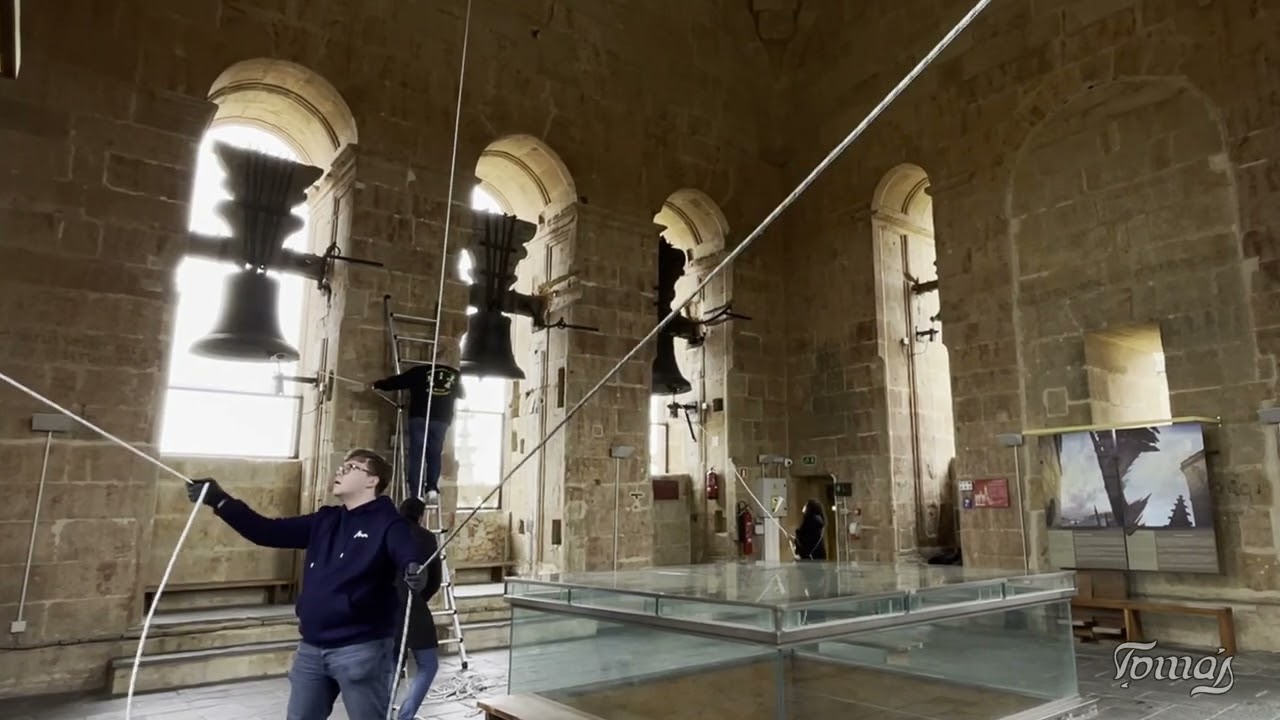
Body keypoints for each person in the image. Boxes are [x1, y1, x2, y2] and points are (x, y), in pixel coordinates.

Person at [186, 449, 432, 720]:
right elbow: (266, 531)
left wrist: (413, 567)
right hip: (312, 649)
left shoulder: (389, 523)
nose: (339, 471)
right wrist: (220, 500)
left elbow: (405, 550)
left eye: (350, 467)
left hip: (360, 649)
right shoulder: (325, 521)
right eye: (341, 466)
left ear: (372, 481)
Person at [371, 362, 466, 503]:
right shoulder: (453, 373)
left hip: (419, 417)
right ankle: (432, 488)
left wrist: (377, 384)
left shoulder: (419, 371)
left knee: (417, 454)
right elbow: (461, 394)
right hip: (441, 420)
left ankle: (415, 492)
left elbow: (398, 382)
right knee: (434, 453)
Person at [392, 497, 443, 720]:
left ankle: (381, 713)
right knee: (428, 664)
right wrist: (419, 598)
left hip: (386, 610)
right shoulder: (426, 537)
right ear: (421, 516)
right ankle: (406, 715)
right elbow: (434, 580)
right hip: (414, 608)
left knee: (391, 668)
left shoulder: (387, 533)